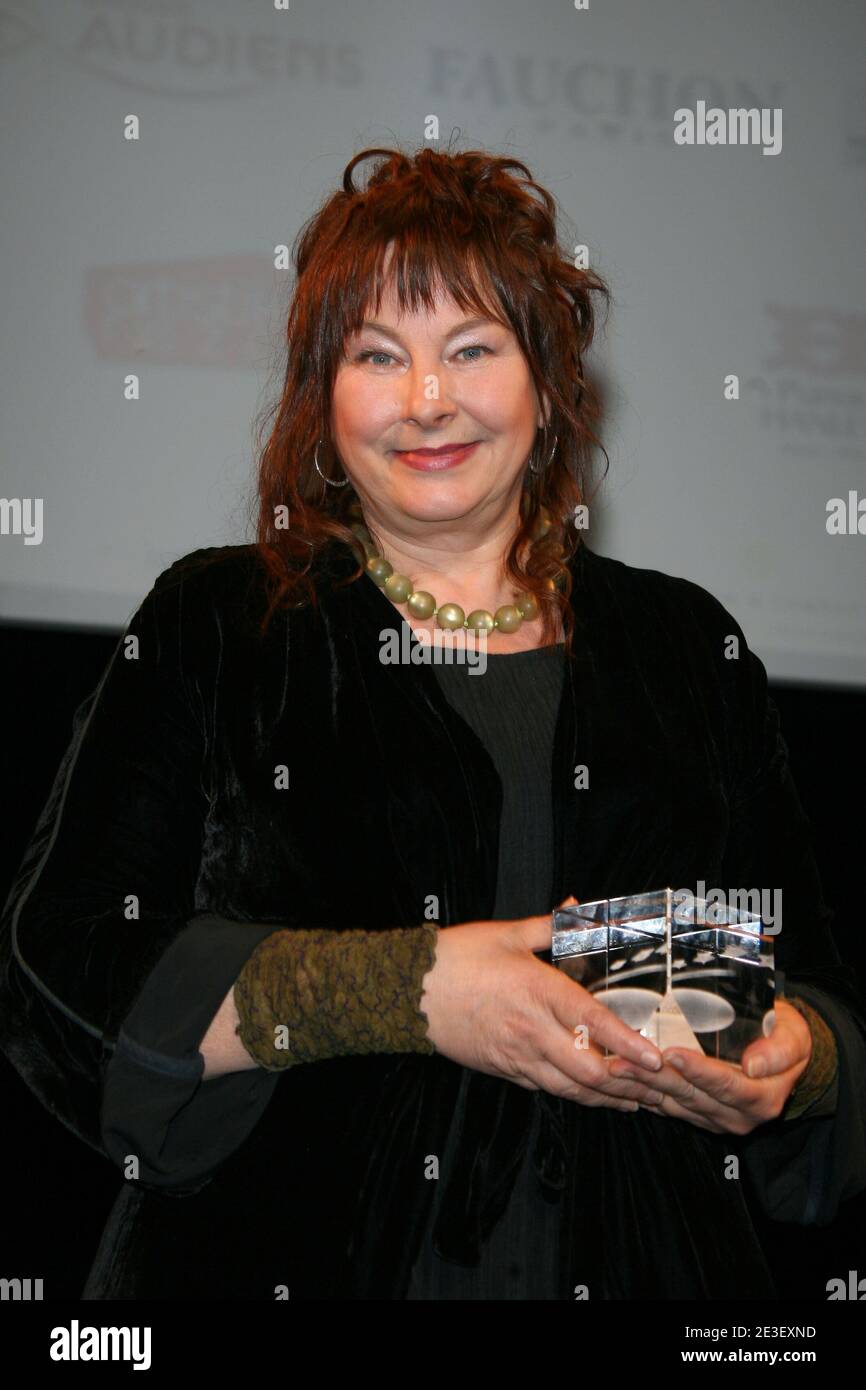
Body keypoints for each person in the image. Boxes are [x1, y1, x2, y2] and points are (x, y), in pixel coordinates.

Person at [1, 145, 865, 1302]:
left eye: (470, 349)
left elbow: (802, 977)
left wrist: (794, 1061)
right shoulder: (223, 623)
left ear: (549, 384)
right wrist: (411, 987)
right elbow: (59, 963)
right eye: (376, 355)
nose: (426, 401)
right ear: (323, 400)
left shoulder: (682, 648)